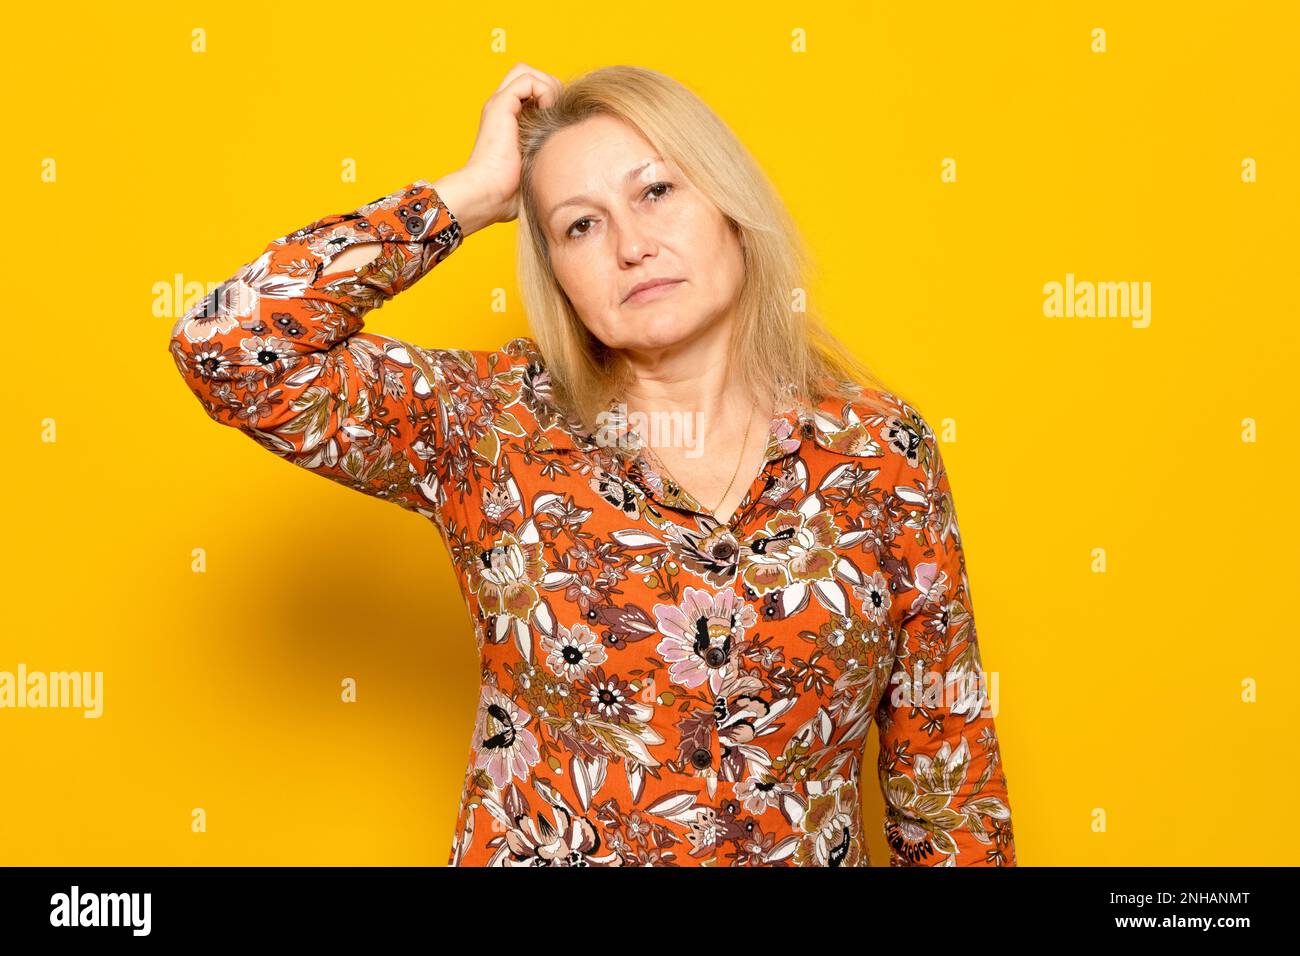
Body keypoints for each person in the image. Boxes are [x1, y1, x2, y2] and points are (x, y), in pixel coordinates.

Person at [167, 62, 1017, 867]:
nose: (631, 245)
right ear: (557, 271)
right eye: (580, 224)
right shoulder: (493, 427)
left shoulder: (877, 450)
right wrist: (470, 198)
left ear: (729, 203)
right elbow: (229, 349)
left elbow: (948, 785)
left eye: (656, 190)